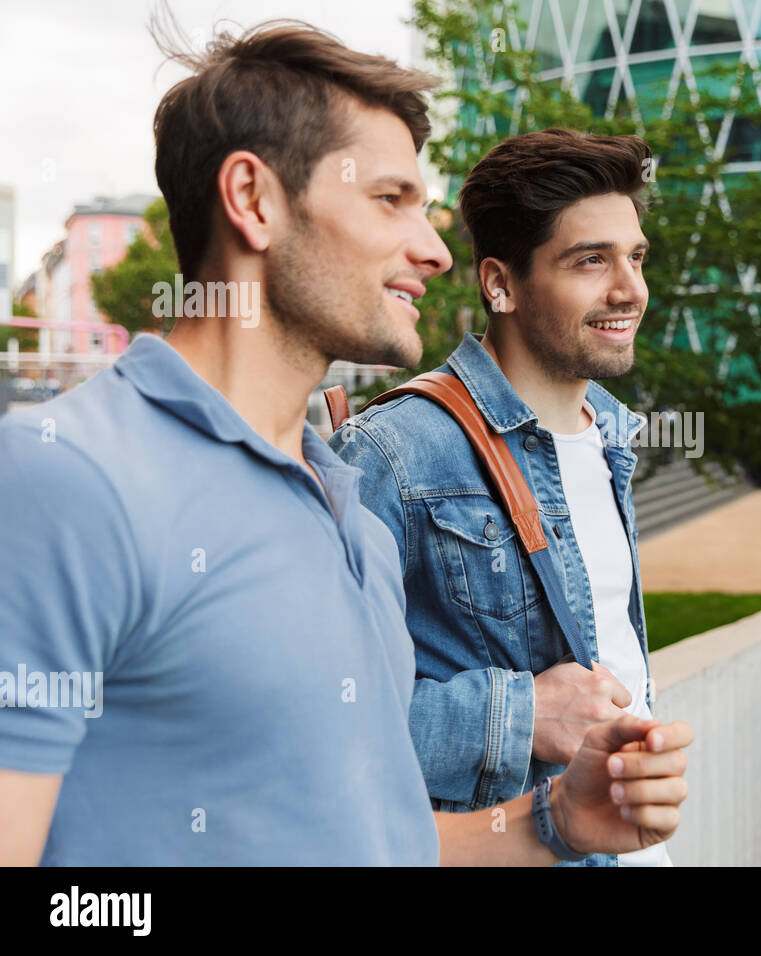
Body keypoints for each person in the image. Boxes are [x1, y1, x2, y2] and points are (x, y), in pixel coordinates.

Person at [0, 18, 690, 866]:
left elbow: (384, 843)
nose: (436, 251)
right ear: (254, 200)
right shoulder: (62, 473)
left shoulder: (346, 511)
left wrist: (556, 820)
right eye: (391, 199)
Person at [331, 128, 672, 866]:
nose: (630, 290)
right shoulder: (396, 452)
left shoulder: (610, 437)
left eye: (636, 258)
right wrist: (522, 716)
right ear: (500, 283)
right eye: (591, 261)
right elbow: (326, 720)